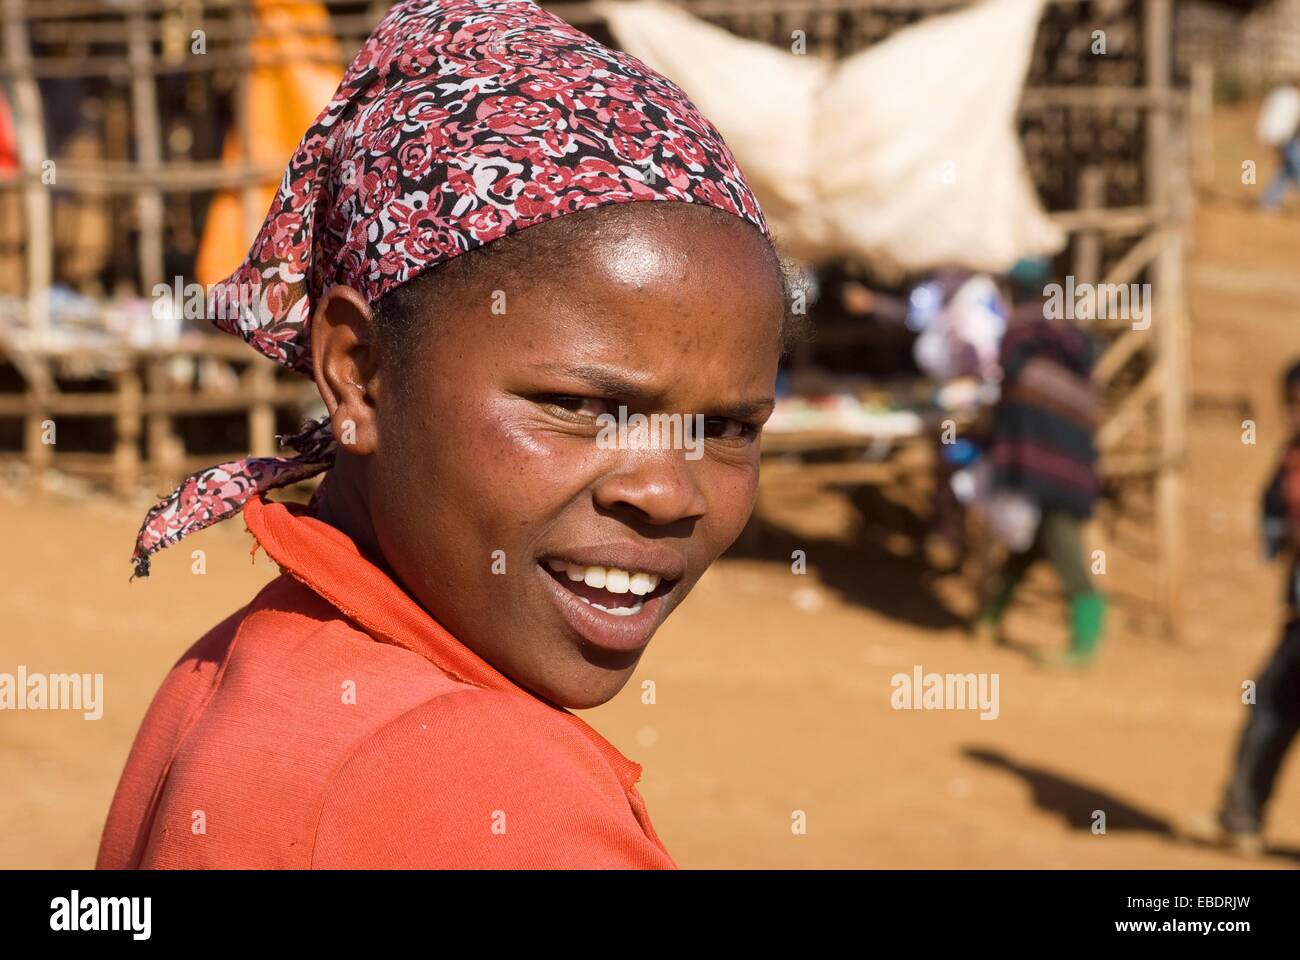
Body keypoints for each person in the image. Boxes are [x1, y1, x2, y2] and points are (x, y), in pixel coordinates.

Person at [97, 0, 791, 869]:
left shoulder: (235, 673)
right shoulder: (482, 790)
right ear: (359, 372)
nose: (668, 493)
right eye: (579, 408)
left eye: (725, 426)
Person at [1186, 361, 1300, 857]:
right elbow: (1273, 516)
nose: (1294, 414)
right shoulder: (1291, 458)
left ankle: (1241, 814)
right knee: (1272, 703)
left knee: (1272, 702)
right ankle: (1240, 815)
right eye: (1291, 404)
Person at [971, 300, 1105, 667]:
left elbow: (1008, 420)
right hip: (1071, 475)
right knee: (1024, 550)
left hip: (1051, 482)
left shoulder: (1025, 367)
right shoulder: (1074, 371)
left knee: (1067, 554)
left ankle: (1083, 646)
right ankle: (988, 621)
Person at [1258, 76, 1300, 212]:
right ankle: (1269, 202)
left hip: (1279, 137)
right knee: (1296, 167)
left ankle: (1269, 202)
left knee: (1285, 171)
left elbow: (1266, 115)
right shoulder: (1292, 98)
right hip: (1284, 138)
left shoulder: (1278, 94)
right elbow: (1287, 122)